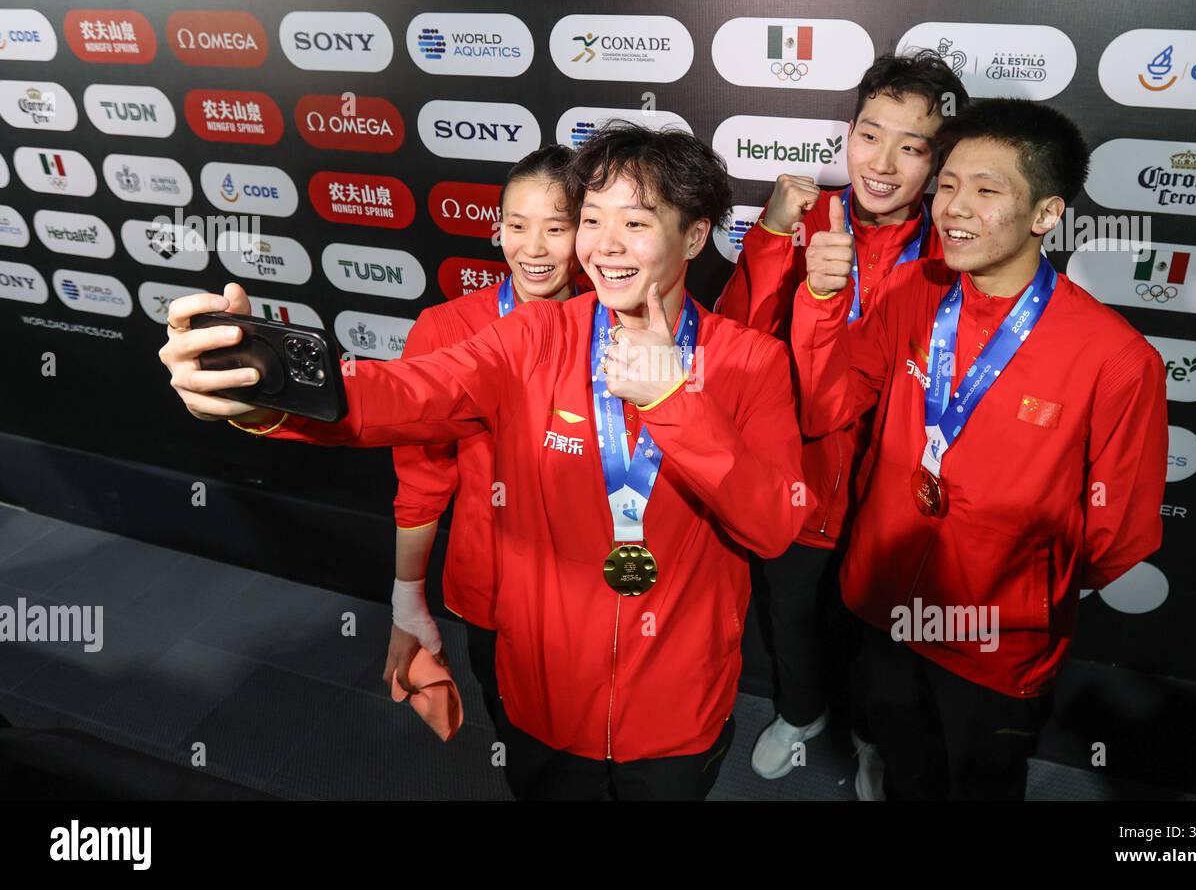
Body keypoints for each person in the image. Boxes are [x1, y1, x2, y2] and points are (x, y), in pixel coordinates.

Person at [157, 123, 811, 801]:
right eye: (590, 219)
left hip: (680, 709)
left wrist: (675, 402)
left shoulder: (749, 361)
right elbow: (405, 393)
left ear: (695, 236)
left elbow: (773, 525)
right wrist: (265, 389)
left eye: (636, 222)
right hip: (543, 699)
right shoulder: (534, 336)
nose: (605, 246)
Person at [791, 98, 1167, 800]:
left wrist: (1018, 586)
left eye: (988, 191)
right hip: (883, 611)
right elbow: (828, 404)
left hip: (995, 647)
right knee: (905, 774)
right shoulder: (913, 290)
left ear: (1046, 215)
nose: (954, 209)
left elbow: (1121, 537)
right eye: (950, 186)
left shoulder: (1117, 359)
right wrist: (818, 300)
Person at [715, 51, 968, 791]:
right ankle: (801, 714)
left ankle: (870, 739)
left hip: (897, 494)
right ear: (848, 133)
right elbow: (732, 341)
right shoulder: (806, 214)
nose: (882, 162)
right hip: (797, 483)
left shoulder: (953, 251)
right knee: (792, 624)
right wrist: (768, 231)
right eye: (869, 134)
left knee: (882, 644)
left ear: (938, 160)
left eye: (912, 146)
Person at [387, 145, 580, 733]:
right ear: (497, 230)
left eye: (558, 227)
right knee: (520, 739)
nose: (535, 248)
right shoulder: (446, 330)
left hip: (594, 592)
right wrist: (406, 595)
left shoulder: (621, 330)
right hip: (493, 591)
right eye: (517, 226)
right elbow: (422, 479)